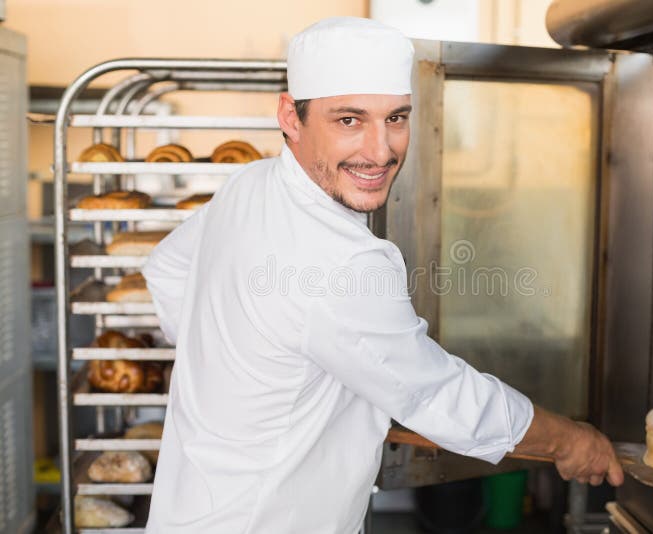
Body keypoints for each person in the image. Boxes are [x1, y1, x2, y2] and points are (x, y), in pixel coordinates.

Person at [142, 16, 623, 534]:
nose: (381, 150)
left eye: (396, 118)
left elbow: (166, 269)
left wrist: (236, 371)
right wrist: (571, 441)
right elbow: (441, 398)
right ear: (291, 115)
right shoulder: (340, 263)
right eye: (349, 120)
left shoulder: (249, 184)